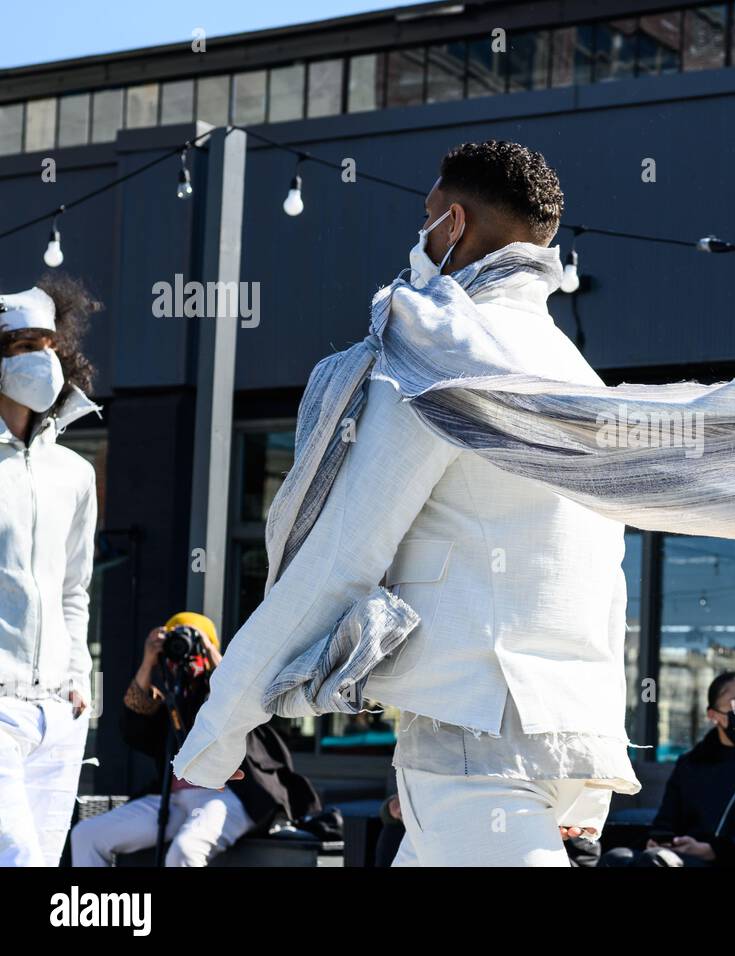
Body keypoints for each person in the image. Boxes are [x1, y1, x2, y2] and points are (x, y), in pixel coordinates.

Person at [170, 141, 641, 866]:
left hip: (469, 728)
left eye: (425, 219)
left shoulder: (439, 354)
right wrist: (590, 785)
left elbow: (341, 555)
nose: (420, 239)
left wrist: (218, 730)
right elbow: (606, 583)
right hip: (555, 737)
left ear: (453, 224)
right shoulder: (578, 376)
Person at [71, 613, 321, 866]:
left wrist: (209, 649)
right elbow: (134, 728)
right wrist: (148, 662)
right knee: (86, 835)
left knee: (185, 852)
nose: (184, 648)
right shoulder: (172, 695)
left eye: (191, 639)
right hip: (173, 799)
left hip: (229, 795)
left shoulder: (224, 686)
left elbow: (240, 696)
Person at [0, 277, 101, 867]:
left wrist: (78, 680)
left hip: (57, 716)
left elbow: (74, 588)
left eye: (46, 342)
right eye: (20, 345)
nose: (39, 357)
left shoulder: (74, 473)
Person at [601, 671, 735, 867]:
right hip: (686, 856)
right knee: (617, 858)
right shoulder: (692, 762)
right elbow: (666, 821)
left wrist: (713, 850)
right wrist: (661, 841)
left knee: (656, 861)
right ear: (713, 714)